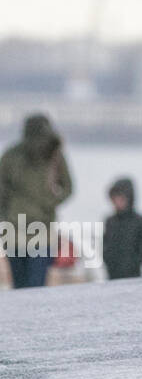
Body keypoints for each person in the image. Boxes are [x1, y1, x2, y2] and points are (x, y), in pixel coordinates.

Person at [0, 114, 73, 289]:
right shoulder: (53, 154)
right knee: (34, 286)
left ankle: (24, 316)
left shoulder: (11, 155)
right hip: (38, 231)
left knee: (21, 286)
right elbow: (68, 188)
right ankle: (30, 316)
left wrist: (5, 215)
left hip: (16, 230)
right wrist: (49, 202)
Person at [102, 177, 142, 280]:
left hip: (134, 276)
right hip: (112, 276)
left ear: (129, 198)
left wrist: (136, 260)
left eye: (121, 198)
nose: (117, 202)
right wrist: (107, 258)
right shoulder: (110, 221)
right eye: (115, 199)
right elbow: (104, 243)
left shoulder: (139, 221)